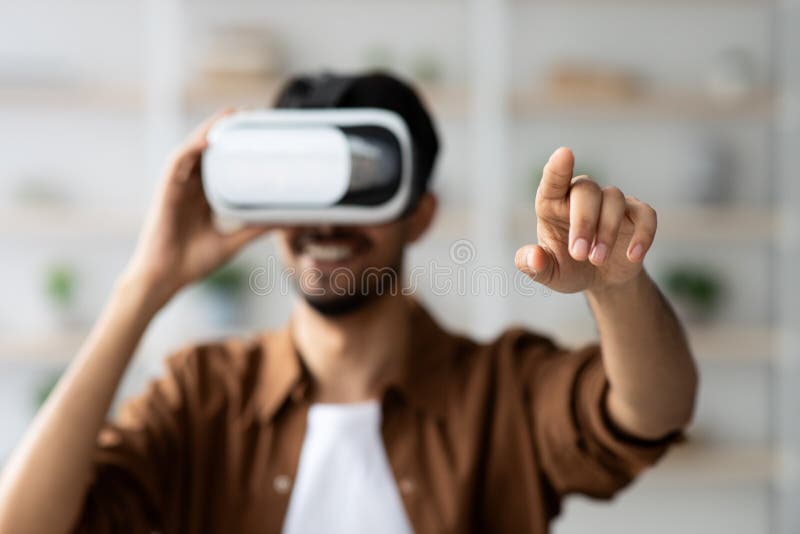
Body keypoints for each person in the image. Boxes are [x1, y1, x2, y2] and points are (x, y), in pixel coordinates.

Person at [0, 72, 697, 534]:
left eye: (360, 184)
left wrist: (618, 287)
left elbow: (649, 414)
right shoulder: (201, 397)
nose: (325, 224)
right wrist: (143, 287)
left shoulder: (501, 390)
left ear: (419, 214)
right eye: (303, 189)